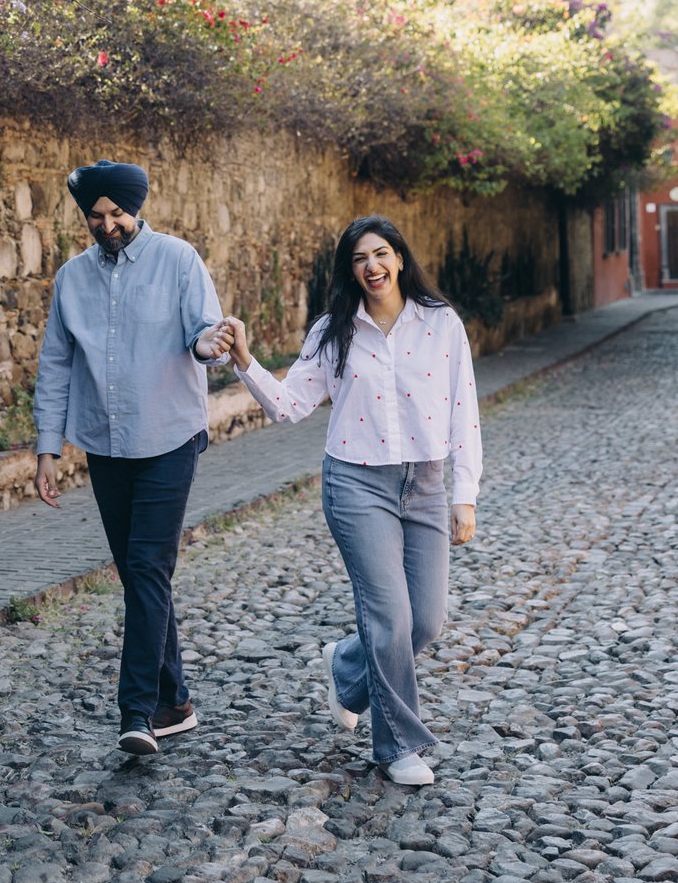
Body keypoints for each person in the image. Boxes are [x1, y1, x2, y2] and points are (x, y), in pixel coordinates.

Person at [221, 215, 480, 786]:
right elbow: (289, 406)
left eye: (381, 253)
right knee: (390, 618)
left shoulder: (440, 323)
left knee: (426, 620)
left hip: (426, 483)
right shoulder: (333, 331)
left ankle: (346, 666)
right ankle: (397, 747)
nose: (373, 266)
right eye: (360, 258)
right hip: (356, 484)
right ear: (350, 270)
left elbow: (464, 408)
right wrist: (244, 360)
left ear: (400, 258)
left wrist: (466, 494)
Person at [32, 159, 234, 755]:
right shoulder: (71, 278)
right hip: (105, 443)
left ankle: (137, 711)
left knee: (146, 567)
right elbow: (55, 364)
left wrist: (208, 344)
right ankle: (176, 701)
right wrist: (47, 448)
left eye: (116, 213)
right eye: (95, 216)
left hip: (169, 437)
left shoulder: (179, 260)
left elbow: (205, 334)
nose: (107, 225)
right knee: (140, 573)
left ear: (135, 209)